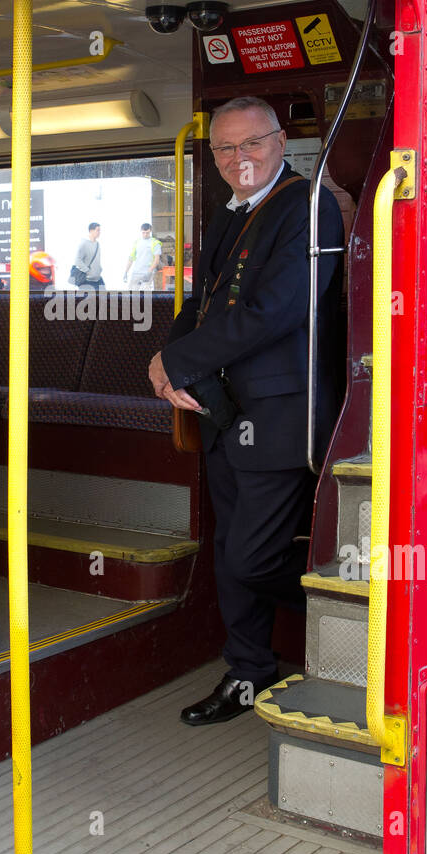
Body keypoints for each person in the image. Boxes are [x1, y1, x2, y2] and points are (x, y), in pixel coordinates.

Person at [148, 97, 344, 725]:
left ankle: (353, 609)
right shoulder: (230, 213)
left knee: (251, 558)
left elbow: (276, 312)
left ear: (280, 142)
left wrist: (179, 364)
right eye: (226, 150)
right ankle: (248, 672)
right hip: (222, 411)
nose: (240, 159)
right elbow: (206, 303)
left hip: (281, 414)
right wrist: (168, 357)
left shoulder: (307, 209)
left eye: (251, 144)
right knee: (231, 546)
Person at [124, 223, 163, 289]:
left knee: (145, 296)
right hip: (136, 272)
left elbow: (156, 260)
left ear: (150, 231)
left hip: (147, 273)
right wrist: (126, 271)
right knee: (132, 295)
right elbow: (131, 258)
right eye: (143, 232)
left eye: (147, 233)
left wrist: (150, 271)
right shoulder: (137, 242)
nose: (145, 234)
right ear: (141, 231)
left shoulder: (155, 243)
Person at [72, 222, 104, 289]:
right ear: (91, 231)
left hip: (97, 279)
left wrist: (99, 269)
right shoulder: (84, 243)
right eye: (97, 230)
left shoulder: (98, 244)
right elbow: (77, 260)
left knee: (104, 297)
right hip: (87, 280)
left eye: (100, 230)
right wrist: (88, 271)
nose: (99, 232)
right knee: (89, 299)